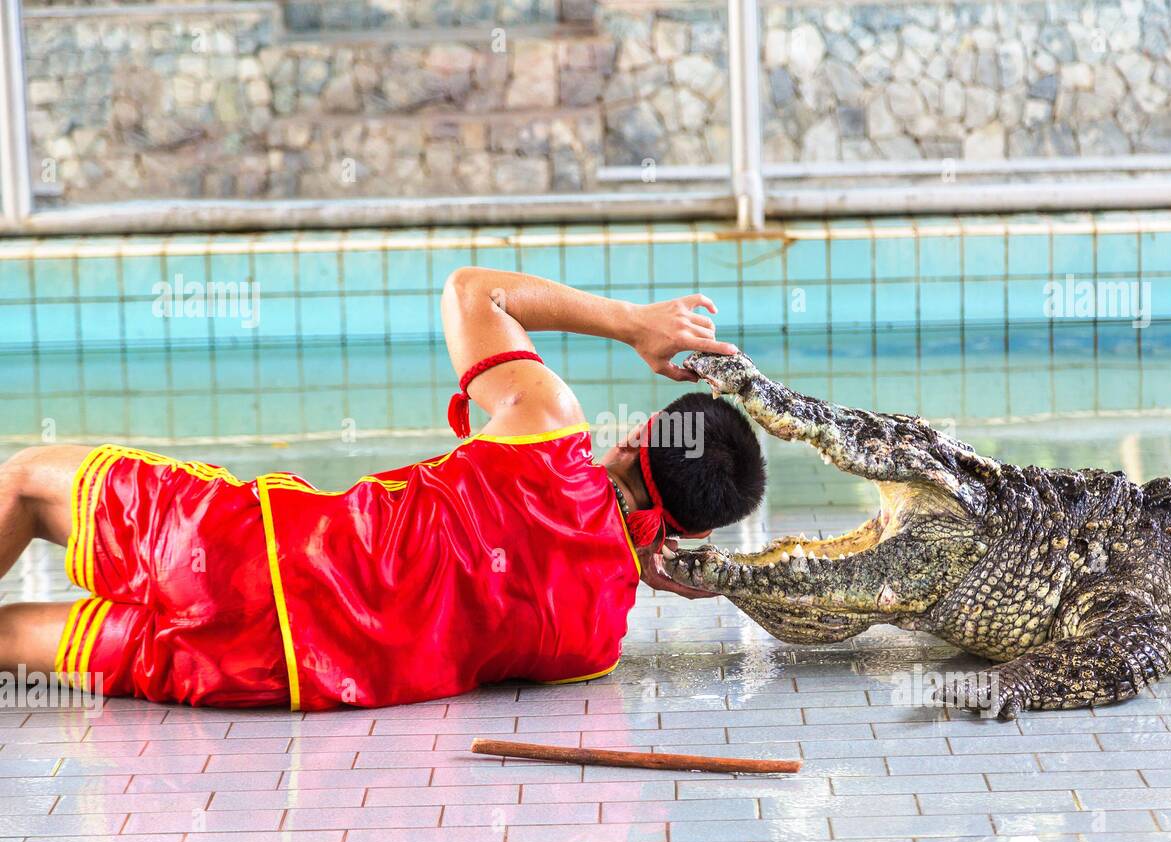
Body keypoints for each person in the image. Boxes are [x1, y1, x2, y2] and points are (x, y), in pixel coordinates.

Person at [0, 268, 766, 710]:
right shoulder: (591, 644)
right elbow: (583, 568)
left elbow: (474, 292)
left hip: (243, 548)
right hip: (259, 672)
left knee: (27, 484)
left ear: (638, 437)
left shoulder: (546, 429)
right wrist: (641, 565)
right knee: (9, 643)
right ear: (693, 535)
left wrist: (634, 323)